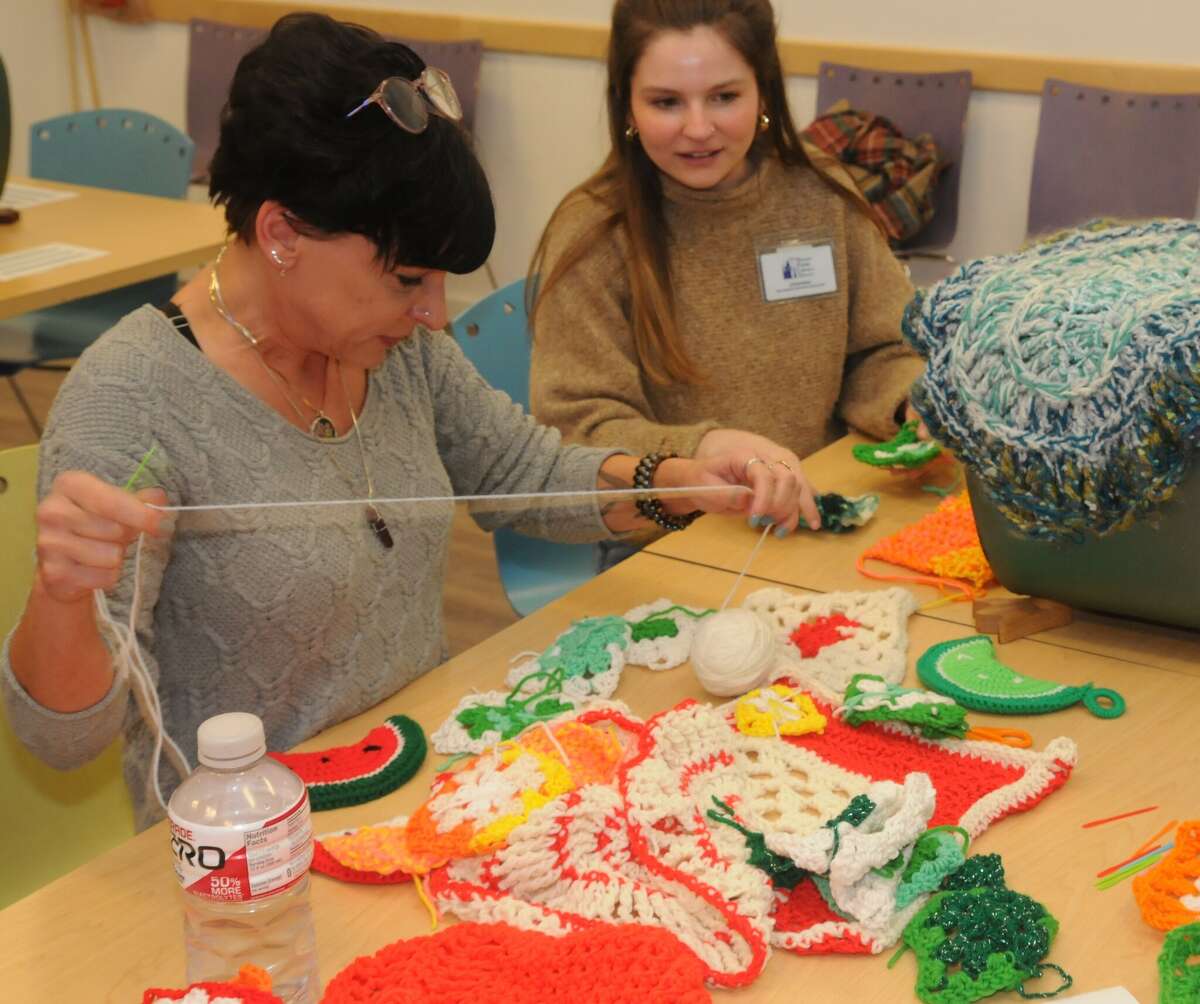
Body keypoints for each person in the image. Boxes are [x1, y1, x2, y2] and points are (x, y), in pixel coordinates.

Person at [0, 13, 805, 830]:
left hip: (428, 796)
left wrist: (693, 474)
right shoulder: (133, 401)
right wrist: (64, 597)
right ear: (282, 233)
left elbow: (522, 474)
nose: (431, 314)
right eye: (408, 279)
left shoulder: (393, 351)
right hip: (255, 858)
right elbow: (62, 740)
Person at [528, 0, 926, 532]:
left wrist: (911, 404)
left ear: (763, 90)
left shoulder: (819, 193)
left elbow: (882, 348)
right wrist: (704, 449)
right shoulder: (594, 233)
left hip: (821, 505)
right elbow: (578, 430)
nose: (698, 128)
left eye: (724, 97)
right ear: (627, 107)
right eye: (667, 102)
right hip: (670, 538)